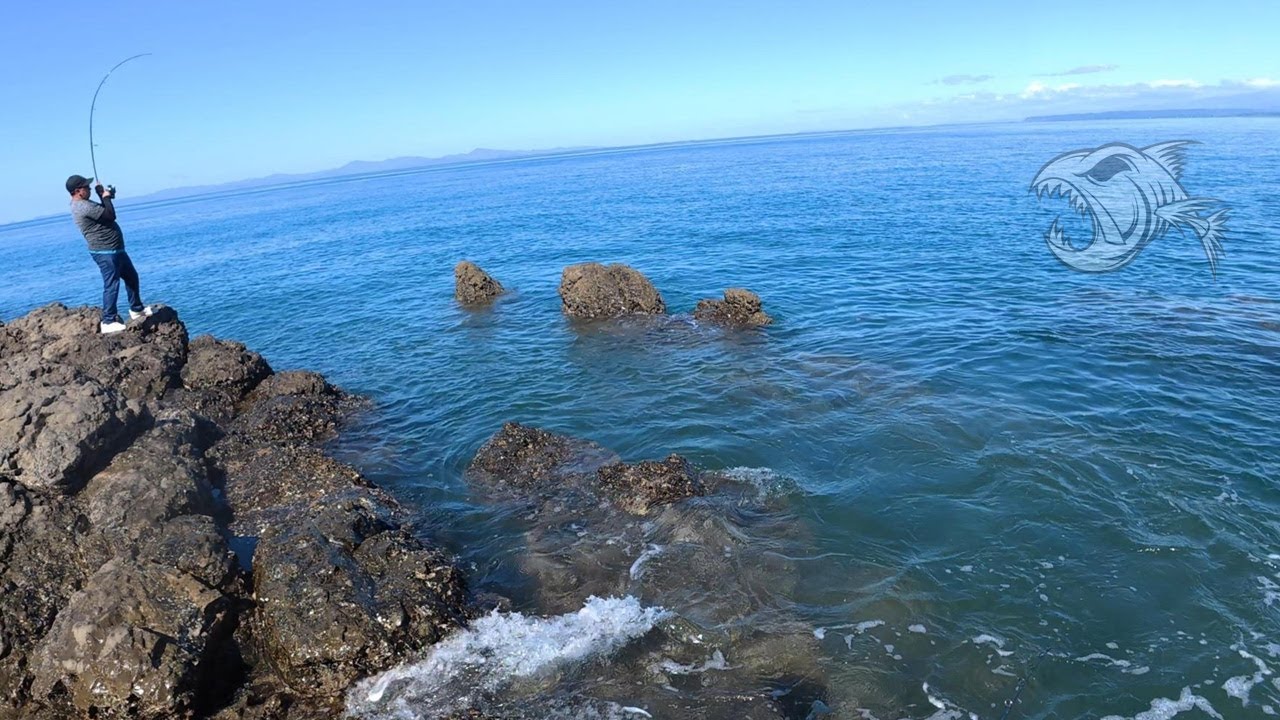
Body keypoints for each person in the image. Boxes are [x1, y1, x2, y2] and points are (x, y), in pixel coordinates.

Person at [66, 174, 152, 333]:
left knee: (131, 277)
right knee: (111, 284)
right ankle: (108, 320)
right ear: (78, 191)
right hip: (105, 251)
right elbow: (110, 215)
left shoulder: (84, 203)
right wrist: (105, 197)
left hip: (115, 249)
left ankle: (136, 309)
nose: (89, 189)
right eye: (87, 187)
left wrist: (104, 197)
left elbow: (103, 211)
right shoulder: (82, 206)